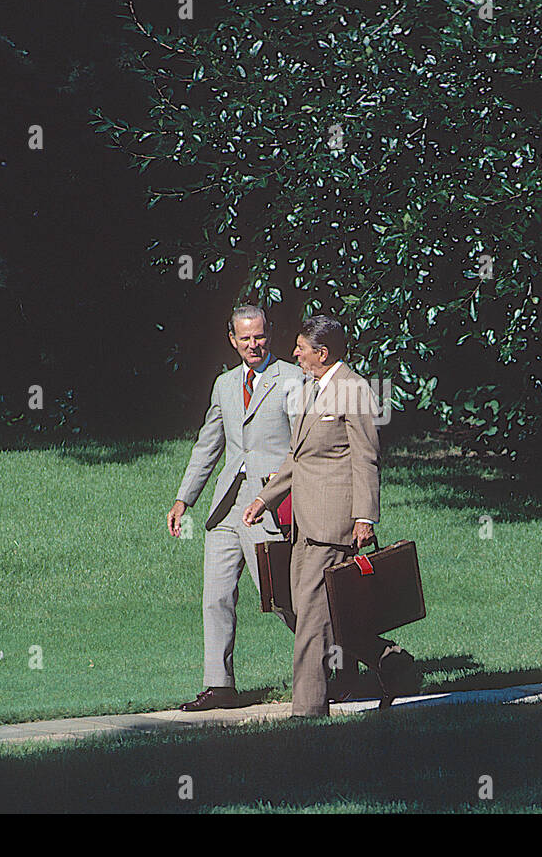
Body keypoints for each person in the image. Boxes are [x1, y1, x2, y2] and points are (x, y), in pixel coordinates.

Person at [243, 315, 417, 717]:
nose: (295, 354)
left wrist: (364, 517)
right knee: (304, 609)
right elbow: (298, 457)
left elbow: (366, 458)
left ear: (322, 353)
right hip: (303, 522)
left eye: (302, 348)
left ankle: (306, 711)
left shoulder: (353, 390)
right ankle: (389, 659)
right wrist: (266, 499)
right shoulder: (309, 387)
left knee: (312, 617)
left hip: (334, 523)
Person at [168, 306, 304, 711]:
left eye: (259, 336)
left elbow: (303, 448)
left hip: (269, 503)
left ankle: (332, 663)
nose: (253, 344)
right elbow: (208, 444)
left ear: (270, 334)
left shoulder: (292, 380)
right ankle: (219, 686)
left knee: (280, 597)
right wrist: (183, 499)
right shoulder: (225, 384)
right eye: (244, 338)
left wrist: (276, 495)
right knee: (216, 596)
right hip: (226, 506)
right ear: (232, 339)